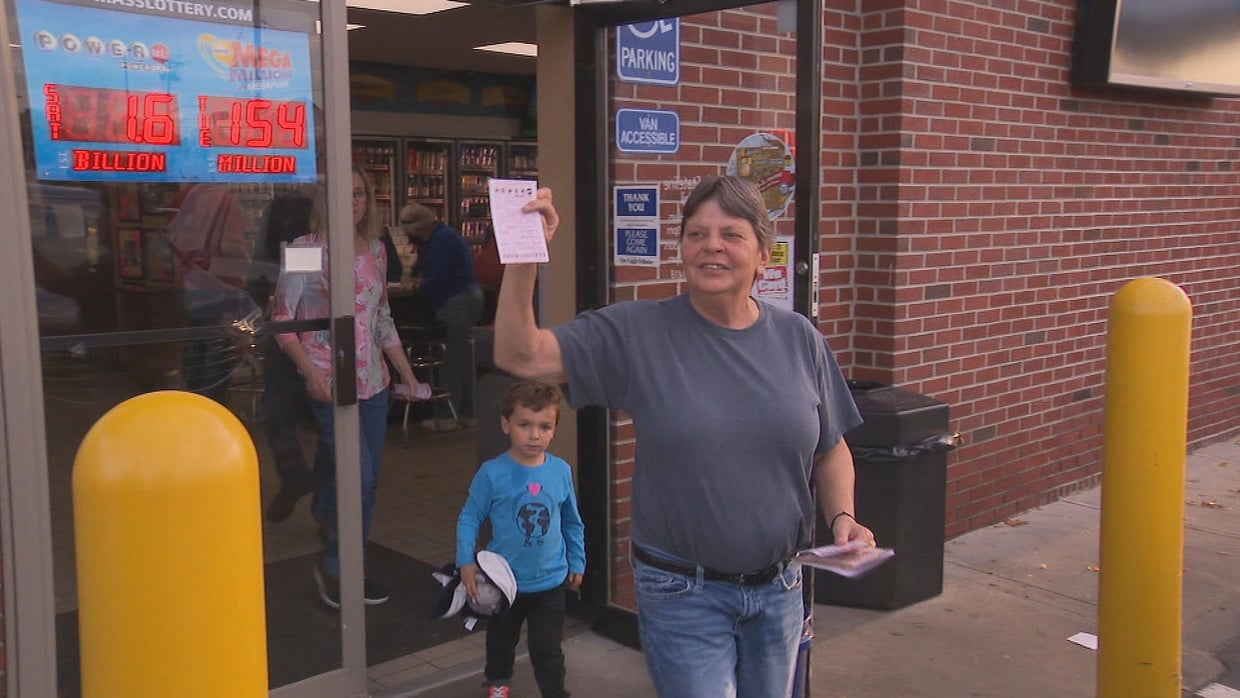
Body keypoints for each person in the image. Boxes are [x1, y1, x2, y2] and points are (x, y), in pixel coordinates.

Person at [493, 176, 875, 698]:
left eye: (731, 234)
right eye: (696, 233)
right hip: (683, 593)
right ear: (681, 251)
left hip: (781, 588)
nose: (711, 245)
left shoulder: (799, 339)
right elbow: (521, 356)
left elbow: (830, 447)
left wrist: (844, 519)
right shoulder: (638, 333)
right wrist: (524, 253)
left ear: (764, 256)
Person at [268, 167, 428, 608]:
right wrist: (309, 371)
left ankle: (341, 541)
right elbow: (285, 317)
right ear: (327, 200)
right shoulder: (305, 250)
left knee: (368, 479)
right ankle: (337, 565)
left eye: (360, 193)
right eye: (344, 193)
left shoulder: (375, 250)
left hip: (373, 382)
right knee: (359, 475)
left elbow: (381, 318)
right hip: (328, 379)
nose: (353, 201)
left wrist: (408, 375)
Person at [455, 381, 585, 698]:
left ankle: (555, 693)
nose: (534, 434)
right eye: (524, 425)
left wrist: (577, 560)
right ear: (506, 424)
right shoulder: (492, 473)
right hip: (504, 584)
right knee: (499, 645)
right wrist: (465, 561)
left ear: (554, 430)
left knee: (548, 650)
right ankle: (498, 688)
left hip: (550, 584)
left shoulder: (561, 471)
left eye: (544, 426)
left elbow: (572, 521)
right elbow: (470, 516)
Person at [399, 203, 485, 431]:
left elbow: (437, 276)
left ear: (417, 227)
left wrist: (419, 284)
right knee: (462, 359)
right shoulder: (443, 236)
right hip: (468, 299)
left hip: (457, 302)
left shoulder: (441, 240)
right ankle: (467, 413)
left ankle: (447, 416)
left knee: (452, 361)